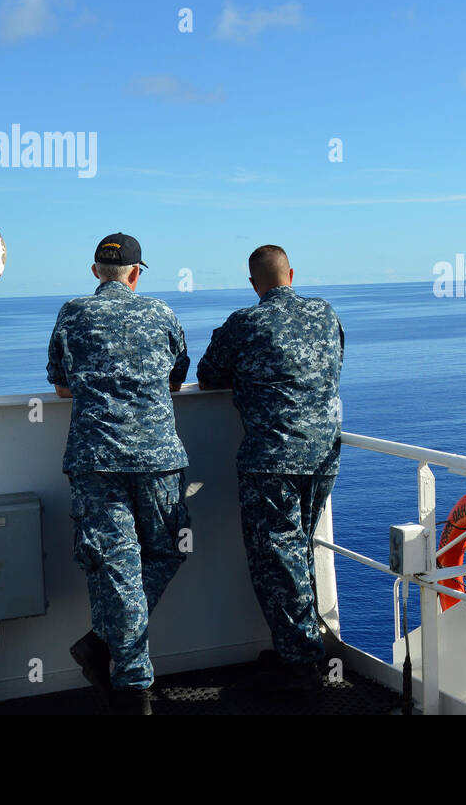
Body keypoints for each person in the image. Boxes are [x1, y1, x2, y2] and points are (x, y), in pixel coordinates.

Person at [46, 233, 191, 715]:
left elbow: (62, 387)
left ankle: (102, 645)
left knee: (118, 569)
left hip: (96, 461)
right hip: (157, 460)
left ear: (95, 273)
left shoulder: (72, 313)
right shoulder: (161, 313)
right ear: (135, 273)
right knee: (166, 553)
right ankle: (133, 689)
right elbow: (176, 378)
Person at [196, 244, 343, 692]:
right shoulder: (325, 312)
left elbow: (207, 376)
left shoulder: (245, 324)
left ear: (253, 283)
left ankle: (301, 665)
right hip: (323, 456)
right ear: (291, 273)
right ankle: (299, 647)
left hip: (272, 460)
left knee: (275, 559)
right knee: (295, 550)